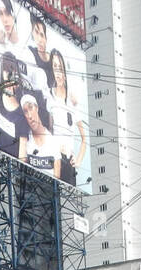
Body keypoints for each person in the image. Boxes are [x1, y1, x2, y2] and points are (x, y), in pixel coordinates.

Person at [45, 48, 86, 186]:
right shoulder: (49, 96)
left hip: (69, 161)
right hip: (53, 159)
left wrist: (78, 160)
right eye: (55, 67)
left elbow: (84, 138)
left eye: (61, 68)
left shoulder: (72, 101)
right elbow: (49, 129)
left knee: (68, 201)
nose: (59, 73)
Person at [0, 52, 28, 157]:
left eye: (12, 71)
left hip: (11, 165)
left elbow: (22, 153)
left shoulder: (22, 113)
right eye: (6, 70)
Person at [19, 92, 60, 179]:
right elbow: (21, 173)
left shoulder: (53, 141)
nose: (29, 115)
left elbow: (57, 180)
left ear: (37, 108)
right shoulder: (26, 140)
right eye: (25, 112)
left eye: (31, 108)